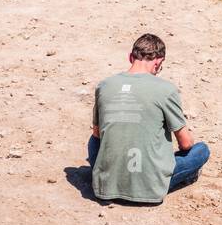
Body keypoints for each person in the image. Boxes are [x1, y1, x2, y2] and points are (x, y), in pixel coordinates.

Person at [87, 33, 209, 203]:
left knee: (93, 142)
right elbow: (186, 143)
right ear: (158, 62)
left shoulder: (104, 85)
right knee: (201, 150)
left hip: (105, 186)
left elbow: (97, 134)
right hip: (149, 189)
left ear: (131, 57)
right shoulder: (166, 89)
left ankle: (109, 175)